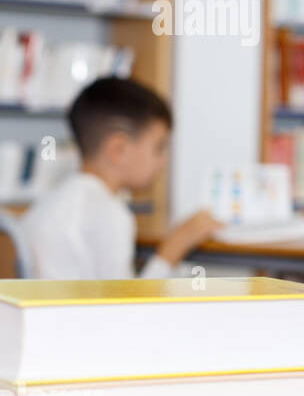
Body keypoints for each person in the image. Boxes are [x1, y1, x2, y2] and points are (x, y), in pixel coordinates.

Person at [21, 77, 222, 279]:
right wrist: (173, 248)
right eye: (159, 148)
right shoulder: (110, 213)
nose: (164, 161)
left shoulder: (47, 204)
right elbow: (127, 307)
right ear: (119, 150)